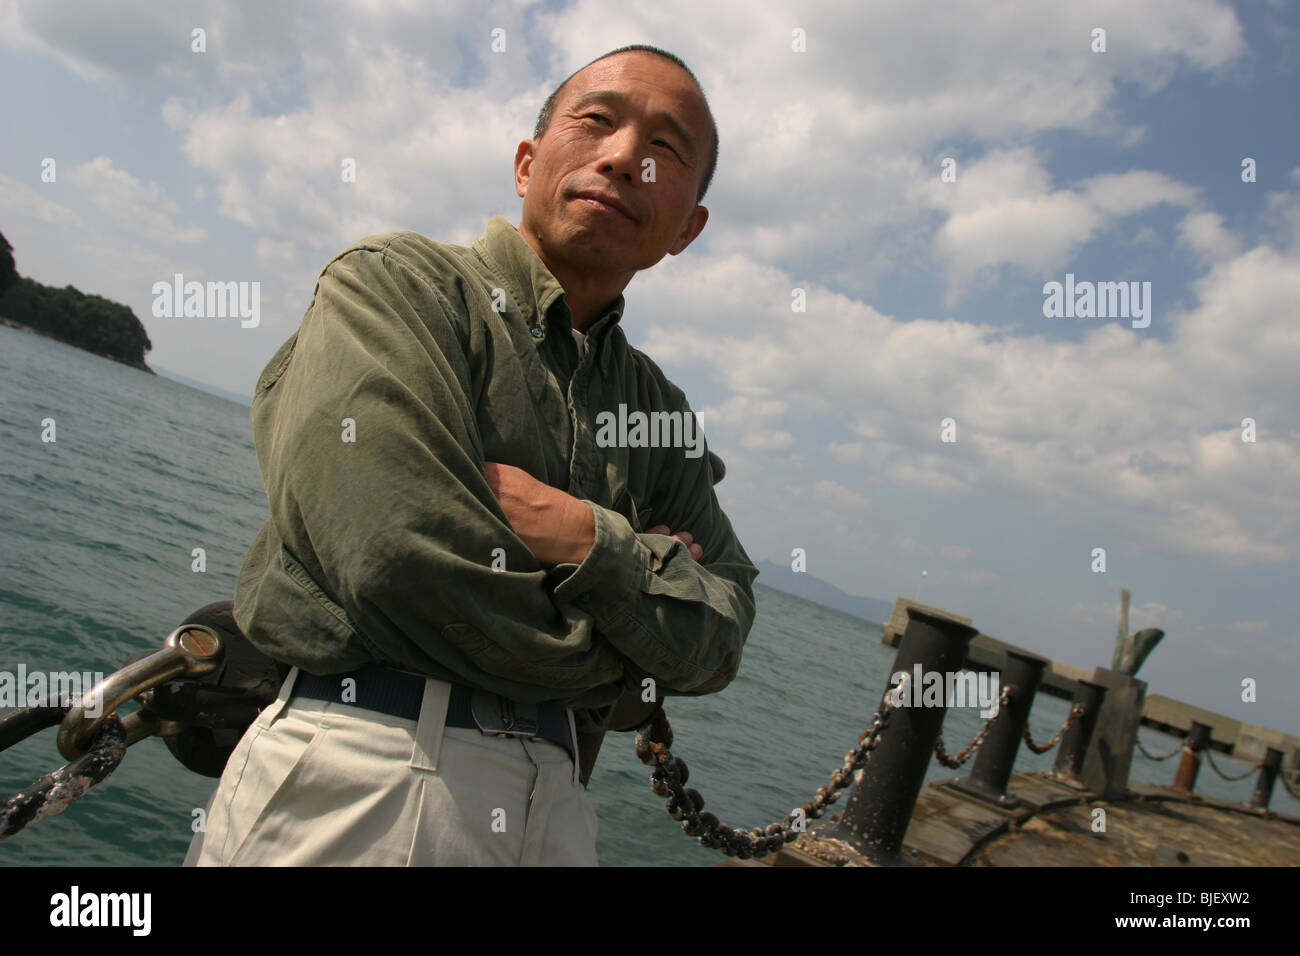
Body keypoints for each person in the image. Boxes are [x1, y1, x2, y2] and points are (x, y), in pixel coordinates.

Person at [185, 43, 758, 866]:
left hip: (559, 810)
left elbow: (725, 629)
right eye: (596, 121)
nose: (626, 156)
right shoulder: (395, 288)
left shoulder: (660, 414)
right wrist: (632, 665)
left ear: (687, 230)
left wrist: (589, 541)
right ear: (527, 164)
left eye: (666, 149)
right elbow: (397, 558)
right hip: (365, 768)